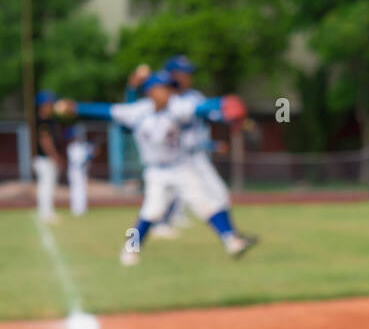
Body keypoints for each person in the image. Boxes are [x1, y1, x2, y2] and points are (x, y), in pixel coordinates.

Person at [55, 73, 255, 265]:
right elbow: (105, 111)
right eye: (164, 88)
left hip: (180, 166)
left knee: (205, 203)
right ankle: (130, 248)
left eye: (170, 89)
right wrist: (77, 108)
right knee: (151, 212)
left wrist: (222, 103)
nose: (169, 93)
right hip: (155, 172)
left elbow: (200, 108)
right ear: (151, 91)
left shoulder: (176, 107)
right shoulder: (137, 111)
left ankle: (231, 240)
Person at [34, 89, 65, 222]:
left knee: (48, 185)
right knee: (46, 186)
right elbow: (45, 140)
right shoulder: (42, 121)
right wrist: (55, 156)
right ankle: (46, 213)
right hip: (44, 159)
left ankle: (47, 212)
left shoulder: (50, 120)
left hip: (47, 158)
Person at [66, 127, 94, 217]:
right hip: (75, 171)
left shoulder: (85, 146)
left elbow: (91, 153)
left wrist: (90, 154)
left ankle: (82, 207)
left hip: (83, 171)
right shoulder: (72, 147)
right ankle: (76, 208)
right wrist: (86, 157)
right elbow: (77, 161)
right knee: (76, 189)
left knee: (82, 188)